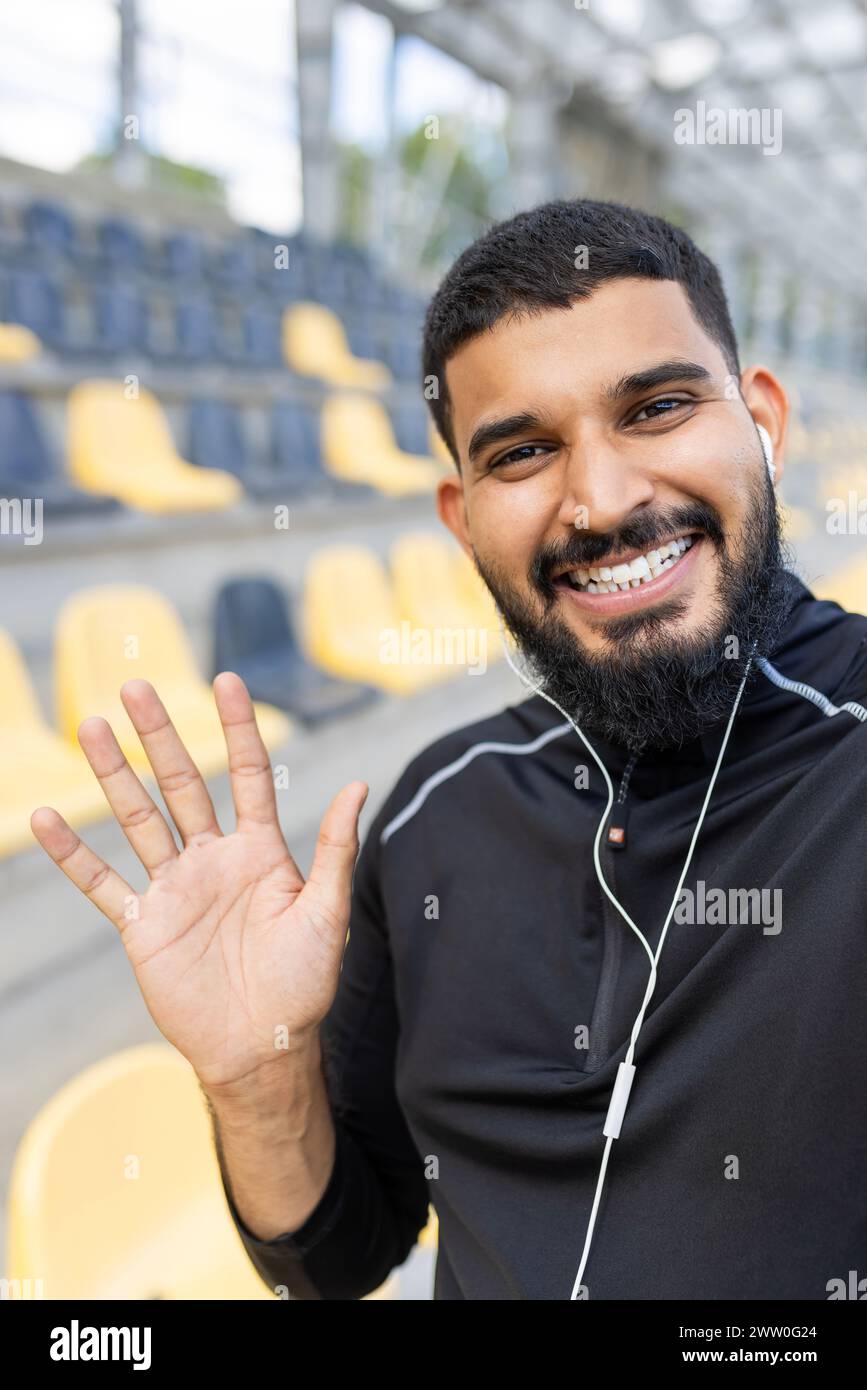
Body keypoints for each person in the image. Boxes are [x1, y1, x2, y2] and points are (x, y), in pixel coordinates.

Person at [31, 199, 867, 1301]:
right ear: (460, 517)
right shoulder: (433, 819)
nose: (603, 501)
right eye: (522, 452)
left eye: (658, 407)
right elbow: (340, 1252)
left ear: (762, 421)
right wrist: (260, 1080)